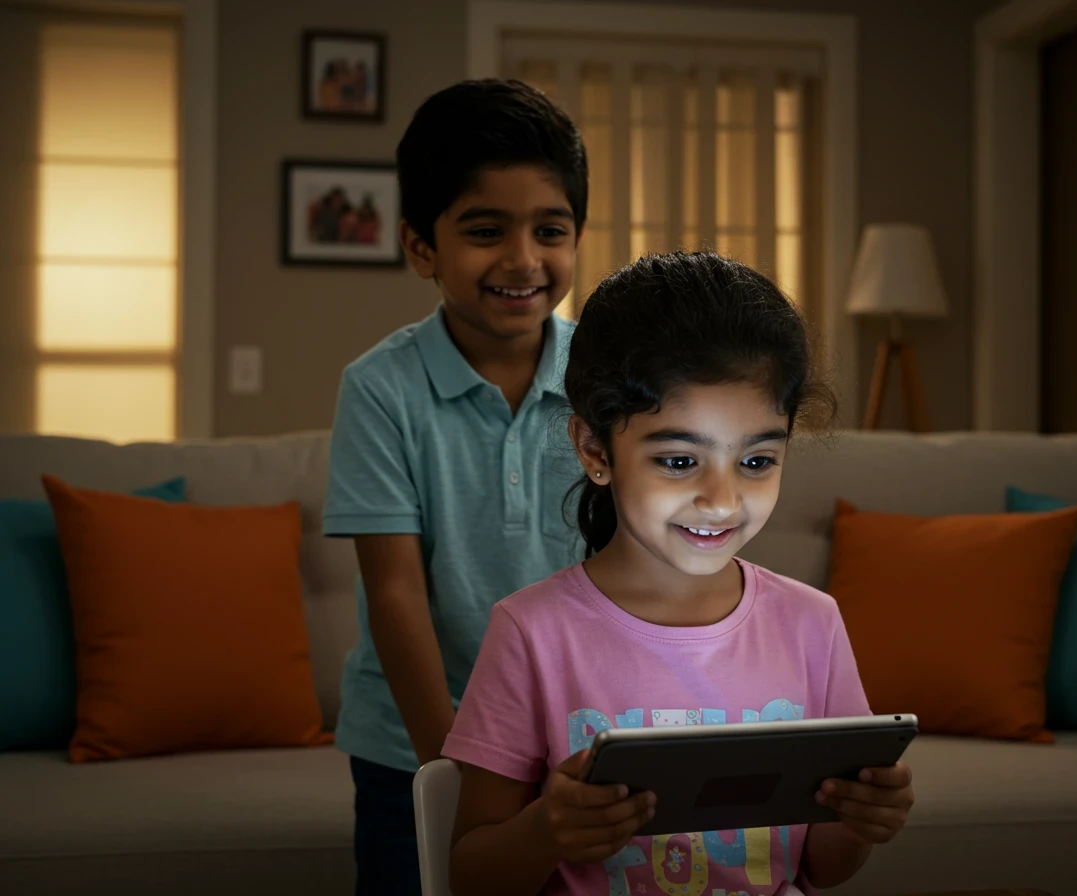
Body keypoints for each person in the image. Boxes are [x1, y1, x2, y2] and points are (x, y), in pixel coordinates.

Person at [441, 251, 916, 896]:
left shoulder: (813, 624)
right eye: (678, 461)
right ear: (595, 450)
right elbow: (471, 876)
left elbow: (821, 870)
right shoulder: (532, 633)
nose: (721, 500)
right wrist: (547, 831)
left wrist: (858, 821)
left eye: (756, 463)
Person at [322, 79, 589, 896]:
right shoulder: (379, 388)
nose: (522, 260)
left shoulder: (609, 377)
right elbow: (395, 595)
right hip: (413, 746)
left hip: (572, 739)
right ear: (420, 247)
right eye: (484, 231)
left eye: (550, 230)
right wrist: (451, 769)